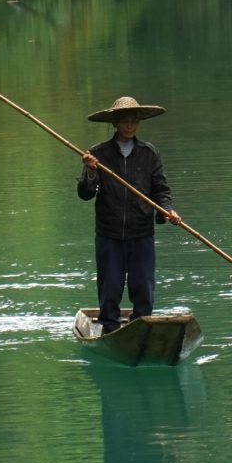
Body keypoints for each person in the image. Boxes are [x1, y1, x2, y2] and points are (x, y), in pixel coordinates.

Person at [77, 96, 179, 335]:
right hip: (109, 233)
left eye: (133, 121)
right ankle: (110, 328)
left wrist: (167, 210)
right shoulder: (98, 154)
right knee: (110, 285)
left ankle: (142, 326)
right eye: (124, 121)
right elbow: (85, 194)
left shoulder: (148, 153)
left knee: (143, 285)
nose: (129, 126)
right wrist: (90, 171)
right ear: (115, 123)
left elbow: (161, 189)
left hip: (141, 231)